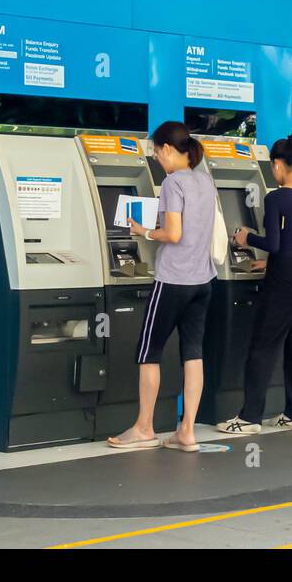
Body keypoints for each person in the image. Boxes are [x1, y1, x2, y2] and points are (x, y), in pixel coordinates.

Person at [109, 121, 216, 452]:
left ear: (168, 149)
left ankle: (144, 427)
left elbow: (173, 234)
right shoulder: (205, 181)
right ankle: (187, 431)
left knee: (149, 351)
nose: (156, 159)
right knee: (193, 353)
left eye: (156, 152)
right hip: (203, 281)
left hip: (173, 280)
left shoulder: (173, 183)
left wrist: (143, 232)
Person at [217, 133, 292, 435]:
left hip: (284, 282)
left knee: (262, 346)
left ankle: (250, 418)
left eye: (272, 166)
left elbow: (274, 243)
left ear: (278, 164)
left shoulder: (275, 198)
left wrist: (246, 237)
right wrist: (272, 260)